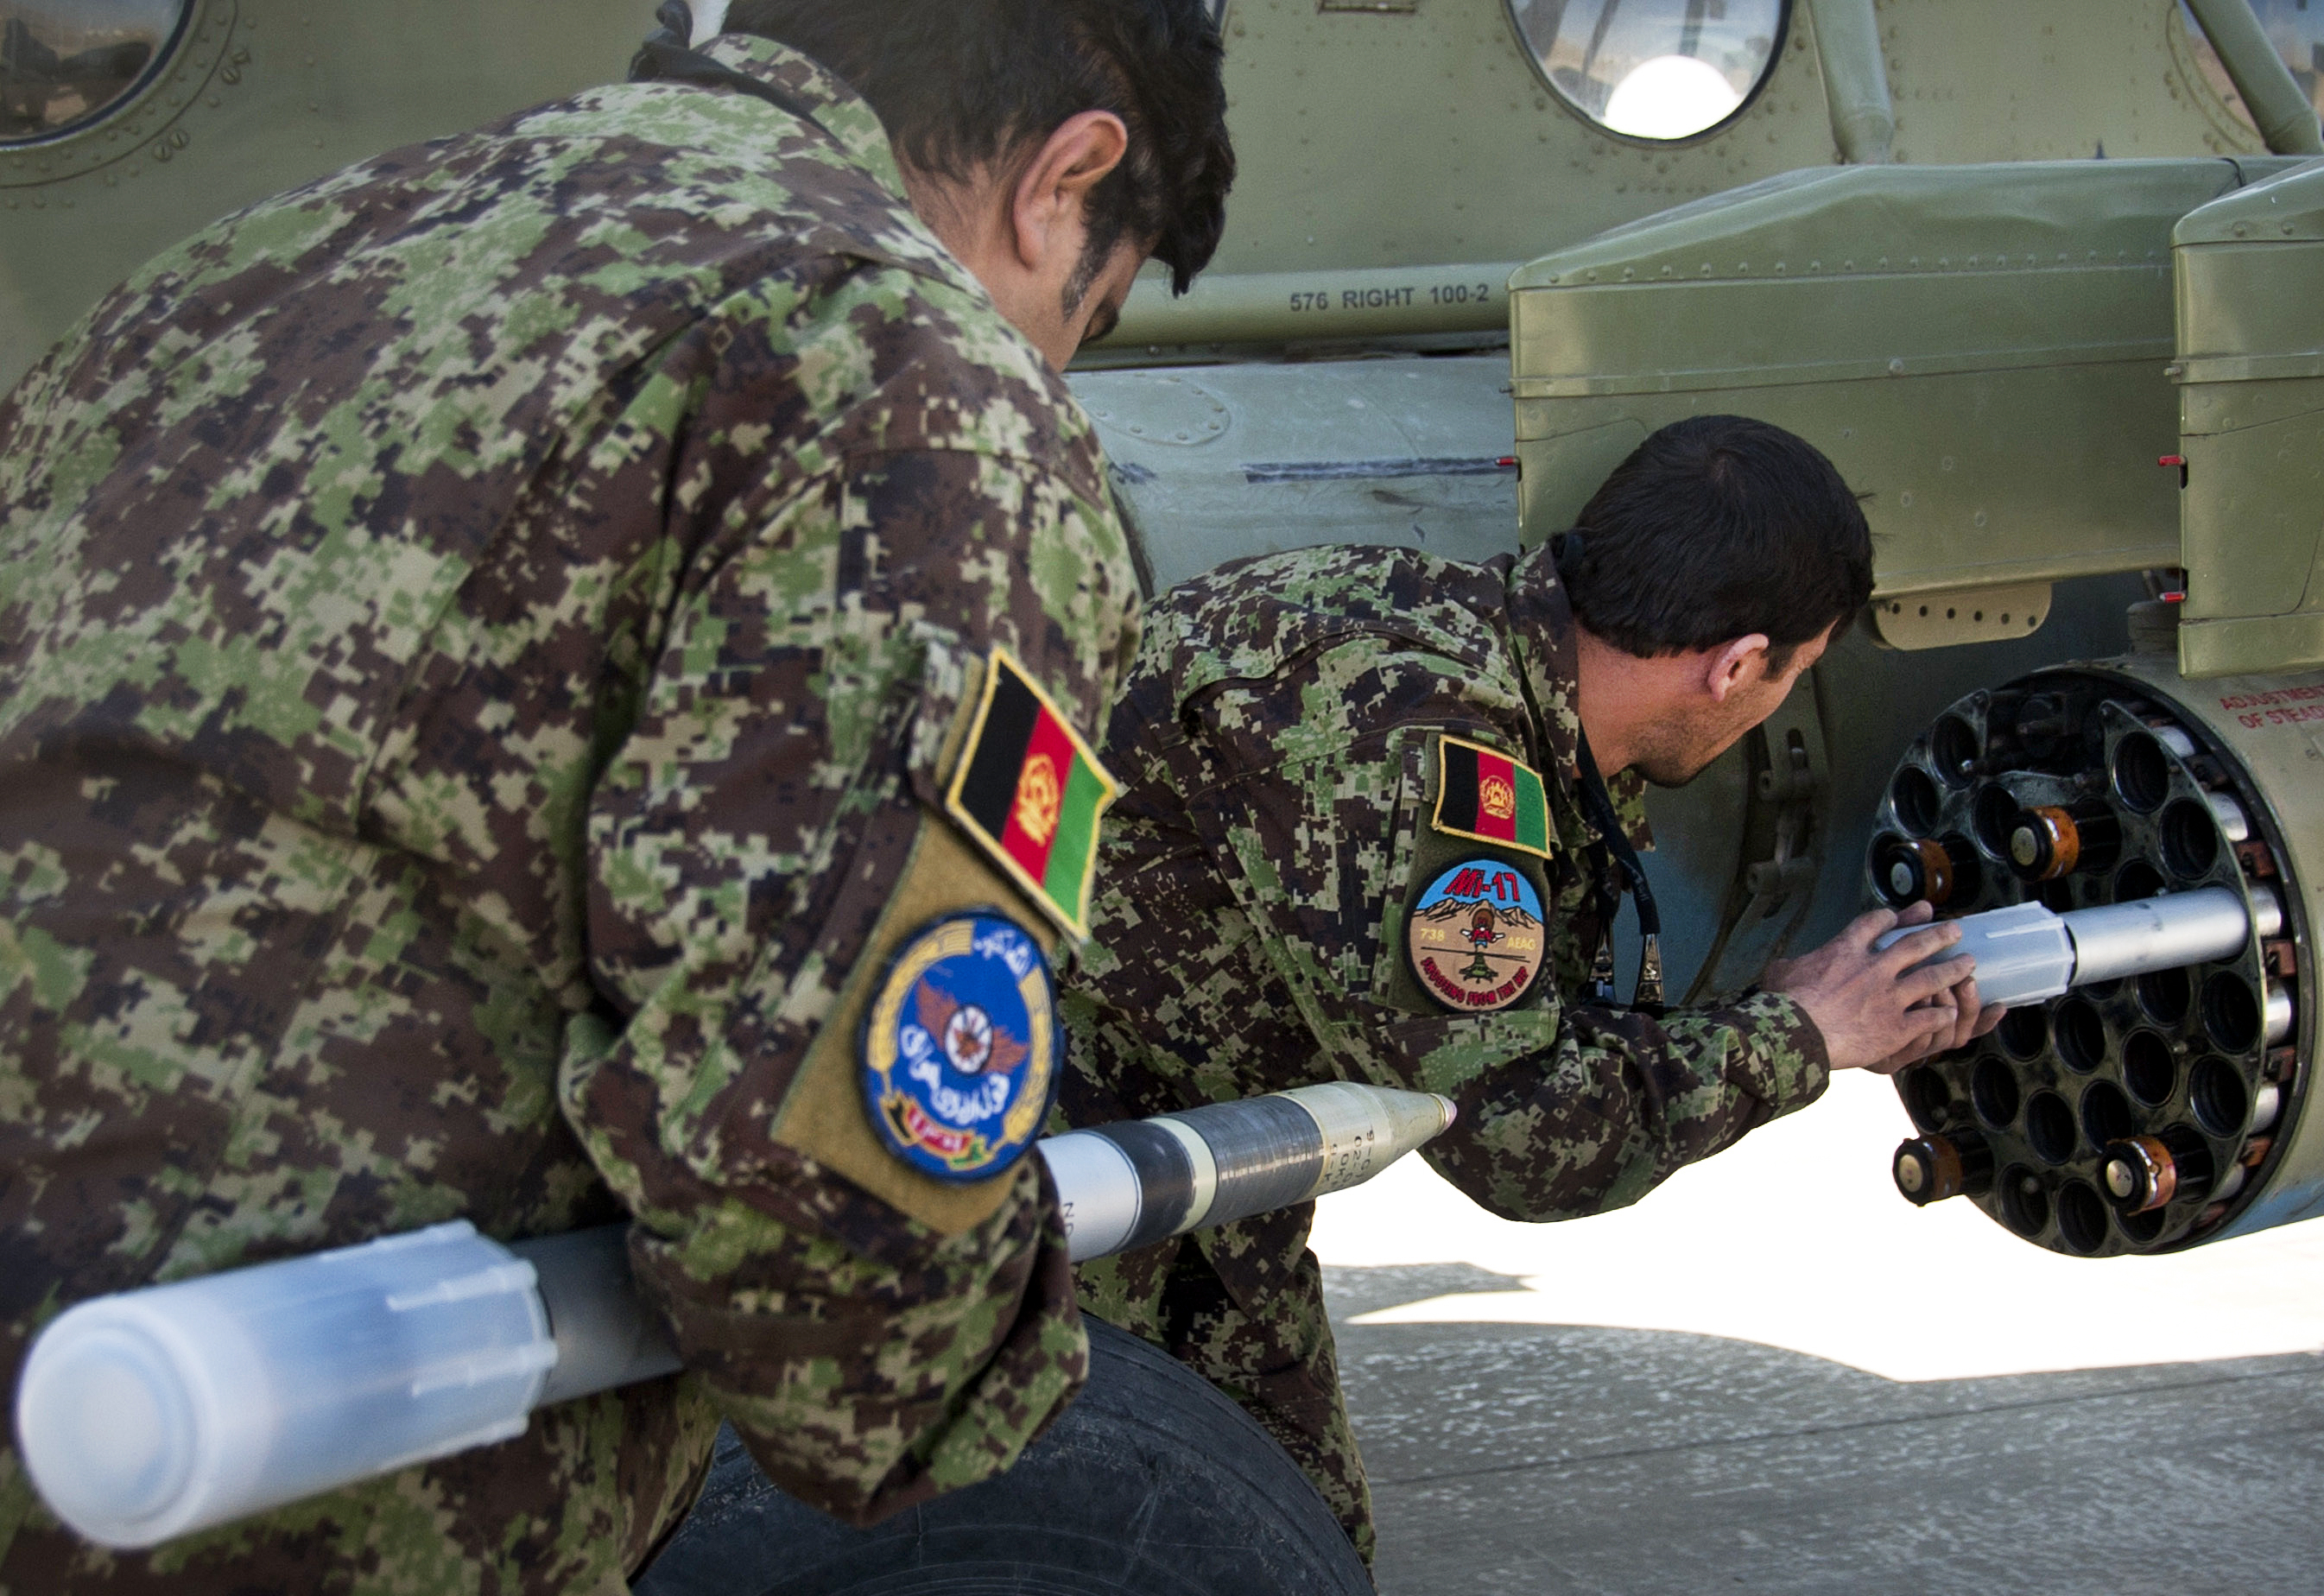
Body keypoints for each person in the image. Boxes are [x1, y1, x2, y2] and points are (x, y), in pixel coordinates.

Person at [0, 1, 1233, 1590]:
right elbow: (832, 1208)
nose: (1059, 364)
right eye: (1095, 316)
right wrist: (987, 1398)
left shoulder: (261, 259)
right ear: (1067, 179)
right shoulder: (908, 376)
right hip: (263, 1464)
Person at [1054, 414, 2001, 1568]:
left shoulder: (1452, 632)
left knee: (1287, 1544)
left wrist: (1789, 1005)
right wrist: (1806, 1037)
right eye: (1794, 675)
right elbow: (1527, 1134)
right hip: (1036, 1171)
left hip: (1172, 1162)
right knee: (1123, 1545)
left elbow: (1512, 1023)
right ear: (1739, 664)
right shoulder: (1429, 755)